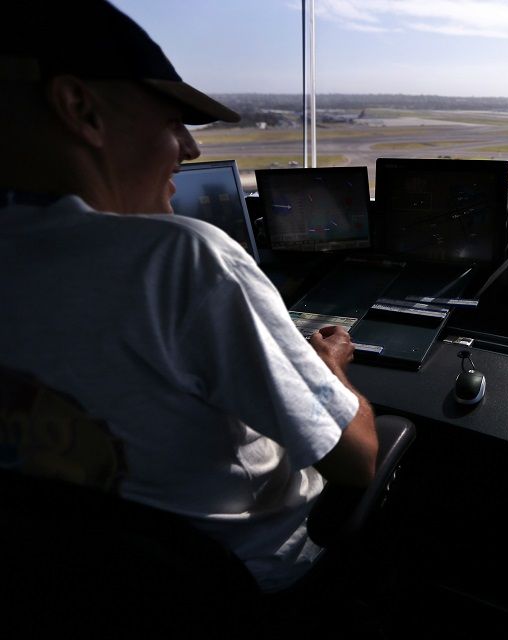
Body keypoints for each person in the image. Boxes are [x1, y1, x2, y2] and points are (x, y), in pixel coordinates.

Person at [0, 1, 378, 594]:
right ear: (80, 109)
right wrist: (331, 369)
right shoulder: (181, 259)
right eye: (172, 119)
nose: (190, 149)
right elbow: (357, 459)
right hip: (253, 581)